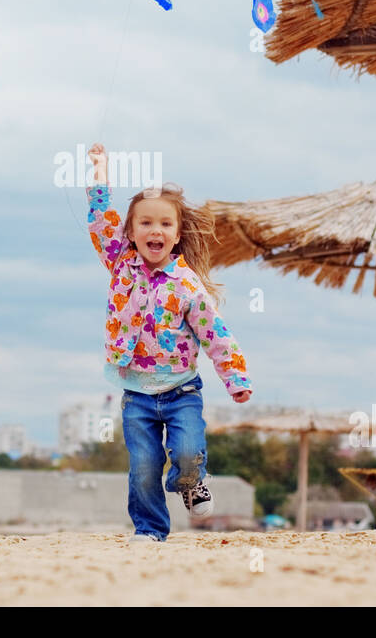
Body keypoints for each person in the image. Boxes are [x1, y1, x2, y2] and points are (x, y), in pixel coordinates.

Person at [85, 142, 252, 543]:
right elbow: (99, 221)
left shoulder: (188, 285)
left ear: (176, 235)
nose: (154, 230)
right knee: (143, 465)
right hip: (136, 390)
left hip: (181, 390)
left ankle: (192, 483)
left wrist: (236, 378)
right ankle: (150, 530)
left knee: (188, 453)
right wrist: (99, 172)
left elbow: (216, 335)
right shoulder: (121, 263)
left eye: (164, 224)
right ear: (130, 232)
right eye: (144, 223)